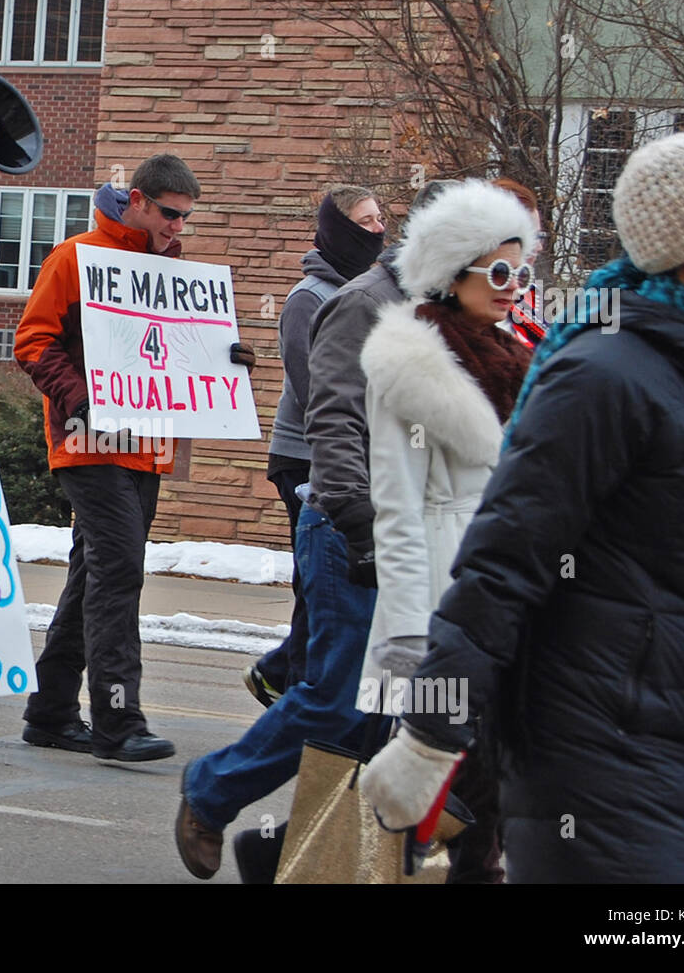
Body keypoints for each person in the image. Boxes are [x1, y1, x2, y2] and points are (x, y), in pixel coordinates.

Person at [362, 132, 684, 883]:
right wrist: (427, 726)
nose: (518, 282)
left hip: (682, 746)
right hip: (587, 744)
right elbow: (502, 551)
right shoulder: (600, 372)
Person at [178, 180, 455, 882]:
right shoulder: (358, 303)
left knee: (386, 709)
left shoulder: (446, 314)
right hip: (346, 527)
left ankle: (298, 853)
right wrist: (361, 529)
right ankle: (212, 791)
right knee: (334, 697)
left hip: (416, 533)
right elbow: (331, 419)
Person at [15, 153, 254, 762]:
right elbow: (33, 342)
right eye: (171, 215)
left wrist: (224, 359)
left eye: (186, 220)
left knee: (93, 573)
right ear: (139, 200)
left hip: (146, 448)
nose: (178, 228)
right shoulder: (75, 258)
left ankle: (50, 712)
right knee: (119, 570)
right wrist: (80, 400)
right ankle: (119, 721)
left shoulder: (172, 275)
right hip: (89, 443)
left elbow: (170, 356)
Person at [357, 179, 536, 883]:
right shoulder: (410, 365)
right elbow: (397, 511)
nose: (513, 286)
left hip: (504, 594)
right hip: (440, 594)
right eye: (497, 271)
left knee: (484, 784)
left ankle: (284, 853)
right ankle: (295, 854)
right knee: (448, 783)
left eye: (520, 272)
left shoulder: (517, 358)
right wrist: (407, 642)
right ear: (450, 274)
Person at [245, 185, 385, 708]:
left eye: (380, 219)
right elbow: (317, 391)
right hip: (307, 456)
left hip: (352, 454)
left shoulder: (373, 292)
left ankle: (284, 674)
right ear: (340, 230)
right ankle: (300, 689)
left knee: (323, 586)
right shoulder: (311, 298)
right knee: (320, 581)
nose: (378, 230)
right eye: (366, 221)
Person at [490, 177, 546, 348]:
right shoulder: (483, 305)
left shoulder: (526, 298)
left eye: (540, 236)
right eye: (530, 237)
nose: (539, 247)